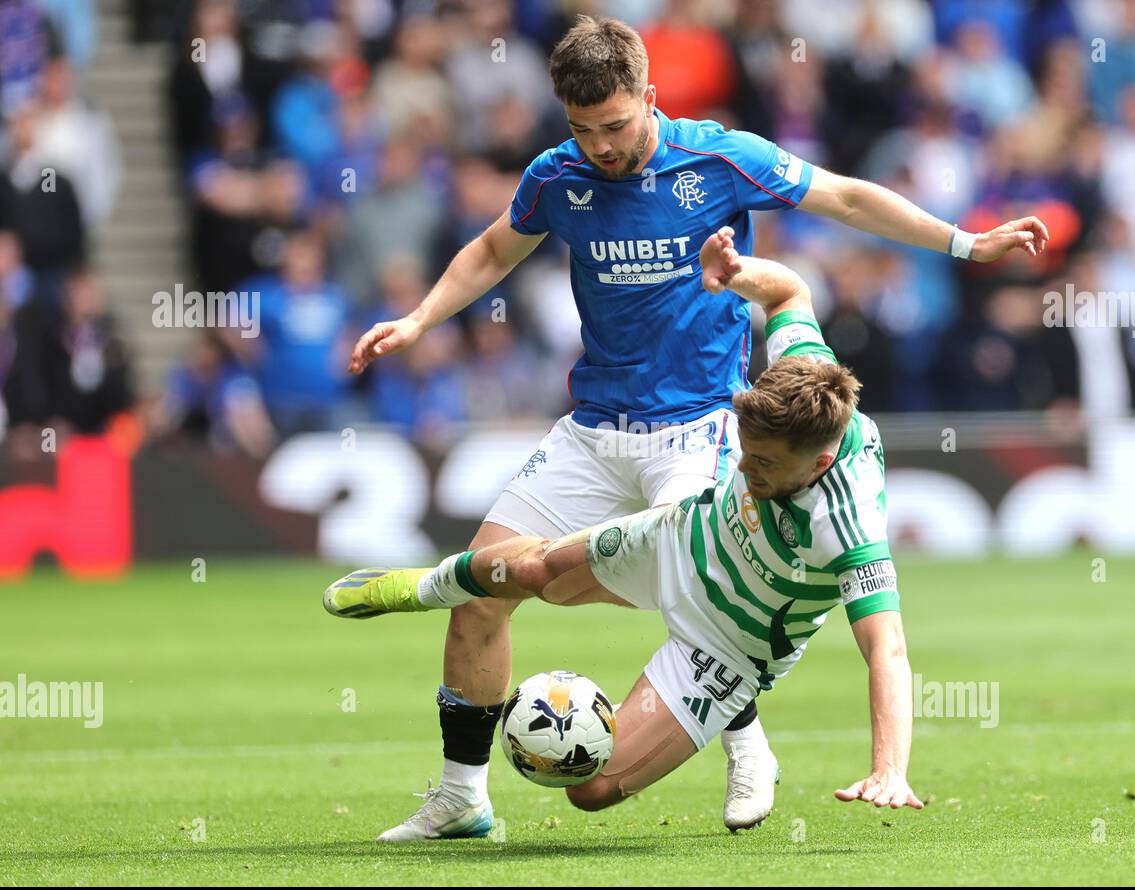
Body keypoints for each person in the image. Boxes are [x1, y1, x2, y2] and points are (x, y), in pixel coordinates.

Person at [345, 15, 1047, 840]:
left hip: (701, 426)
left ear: (650, 95)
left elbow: (847, 196)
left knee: (699, 602)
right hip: (595, 427)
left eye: (614, 126)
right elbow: (496, 249)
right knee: (484, 596)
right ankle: (462, 797)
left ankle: (749, 746)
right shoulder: (556, 176)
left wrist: (967, 242)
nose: (601, 147)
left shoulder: (719, 159)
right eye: (582, 130)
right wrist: (422, 318)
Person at [327, 230, 926, 835]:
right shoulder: (806, 380)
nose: (744, 467)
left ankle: (743, 743)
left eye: (764, 465)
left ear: (819, 463)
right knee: (531, 574)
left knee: (589, 790)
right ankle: (426, 587)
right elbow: (789, 289)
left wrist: (889, 769)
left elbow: (888, 649)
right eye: (746, 452)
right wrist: (733, 274)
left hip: (727, 646)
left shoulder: (849, 524)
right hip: (683, 538)